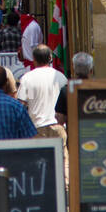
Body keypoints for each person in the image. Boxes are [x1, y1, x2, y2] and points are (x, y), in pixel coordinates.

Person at [16, 44, 69, 185]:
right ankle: (66, 195)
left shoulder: (28, 78)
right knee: (62, 163)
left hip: (36, 128)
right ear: (50, 58)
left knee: (38, 166)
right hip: (58, 127)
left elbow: (21, 105)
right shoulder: (61, 77)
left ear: (34, 59)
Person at [54, 51, 94, 120]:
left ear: (74, 70)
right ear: (91, 71)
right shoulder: (99, 89)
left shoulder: (66, 90)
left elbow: (60, 118)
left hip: (73, 130)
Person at [18, 4, 44, 71]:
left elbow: (34, 46)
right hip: (29, 63)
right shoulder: (29, 26)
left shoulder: (32, 27)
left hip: (33, 64)